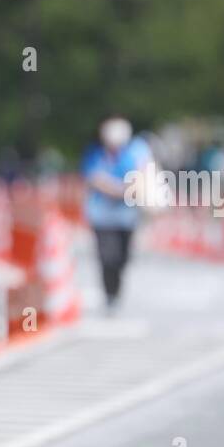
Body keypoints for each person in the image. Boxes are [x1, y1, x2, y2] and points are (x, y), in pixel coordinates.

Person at [81, 116, 150, 311]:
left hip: (126, 215)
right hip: (101, 215)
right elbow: (94, 178)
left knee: (123, 257)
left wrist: (123, 189)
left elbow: (142, 175)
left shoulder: (135, 151)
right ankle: (110, 293)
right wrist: (120, 190)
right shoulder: (95, 153)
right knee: (106, 256)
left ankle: (116, 288)